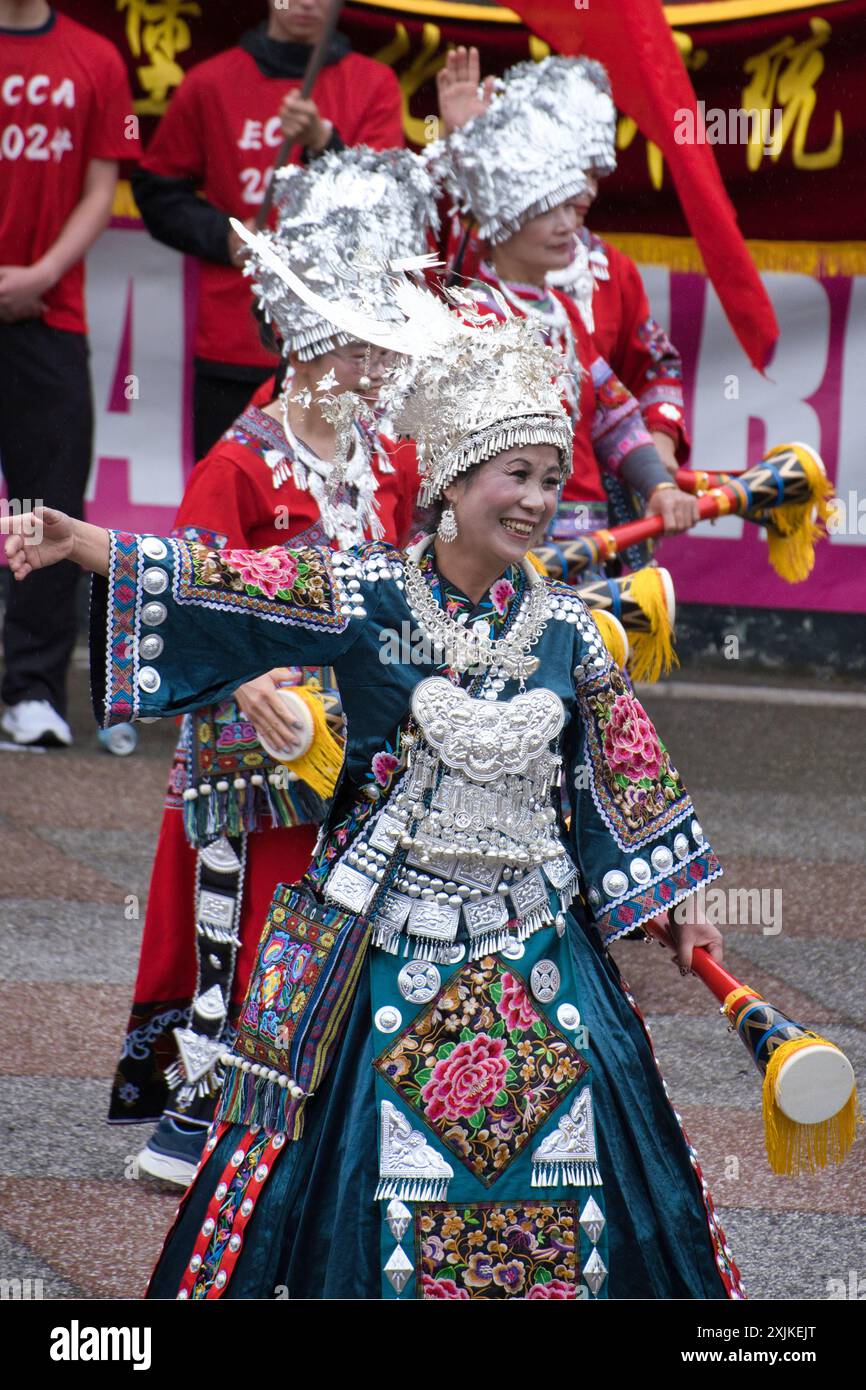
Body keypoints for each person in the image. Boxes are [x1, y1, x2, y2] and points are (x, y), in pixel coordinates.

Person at [3, 283, 743, 1300]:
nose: (534, 499)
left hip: (537, 940)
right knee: (347, 1166)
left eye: (547, 477)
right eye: (512, 475)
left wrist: (680, 903)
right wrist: (78, 539)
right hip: (383, 935)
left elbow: (621, 770)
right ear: (448, 478)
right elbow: (224, 579)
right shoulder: (366, 596)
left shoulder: (567, 632)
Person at [110, 148, 430, 1187]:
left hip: (362, 737)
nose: (378, 373)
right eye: (359, 352)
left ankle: (323, 1102)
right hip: (257, 755)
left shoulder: (388, 459)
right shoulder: (239, 463)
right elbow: (190, 596)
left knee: (351, 919)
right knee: (251, 924)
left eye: (385, 352)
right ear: (306, 343)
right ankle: (202, 1113)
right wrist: (252, 684)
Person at [436, 51, 695, 562]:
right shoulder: (466, 311)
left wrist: (659, 480)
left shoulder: (572, 307)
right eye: (549, 206)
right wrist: (460, 149)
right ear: (506, 217)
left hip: (588, 539)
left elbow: (617, 410)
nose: (569, 222)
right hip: (499, 554)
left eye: (578, 194)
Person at [131, 0, 404, 460]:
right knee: (227, 496)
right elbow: (157, 193)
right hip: (234, 342)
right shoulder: (210, 82)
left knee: (332, 507)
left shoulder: (373, 84)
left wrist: (324, 144)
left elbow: (385, 209)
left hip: (339, 352)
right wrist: (227, 237)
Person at [0, 0, 139, 746]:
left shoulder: (96, 58)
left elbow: (100, 186)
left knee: (42, 503)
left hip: (49, 314)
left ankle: (32, 691)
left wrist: (44, 272)